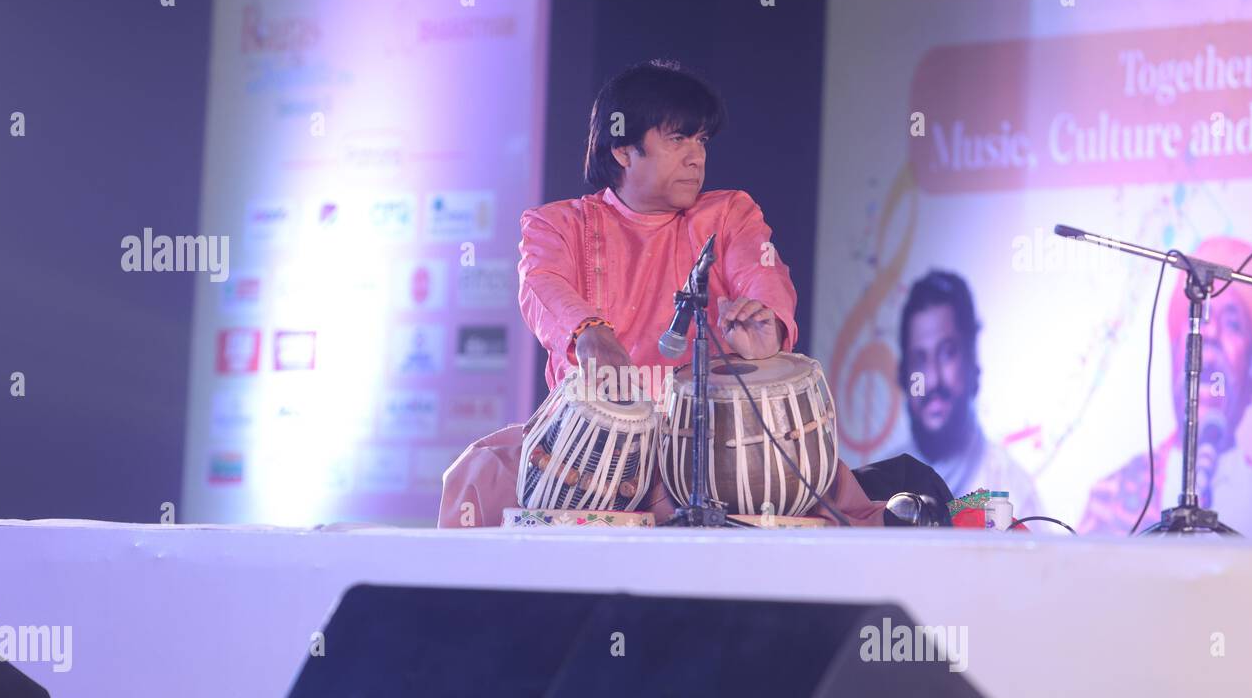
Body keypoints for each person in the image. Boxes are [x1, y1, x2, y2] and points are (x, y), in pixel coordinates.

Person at [438, 59, 885, 527]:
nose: (697, 156)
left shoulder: (728, 215)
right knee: (480, 477)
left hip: (709, 445)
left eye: (701, 141)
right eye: (677, 139)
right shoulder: (557, 224)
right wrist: (588, 329)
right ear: (624, 151)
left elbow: (761, 272)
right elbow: (542, 283)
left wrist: (767, 325)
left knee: (820, 504)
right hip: (590, 447)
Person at [1080, 236, 1252, 537]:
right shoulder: (1110, 497)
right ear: (1178, 348)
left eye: (1233, 324)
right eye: (1204, 317)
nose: (1214, 334)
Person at [882, 270, 1042, 515]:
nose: (933, 379)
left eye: (947, 353)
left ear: (972, 360)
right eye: (920, 359)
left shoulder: (1012, 489)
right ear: (904, 374)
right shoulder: (880, 490)